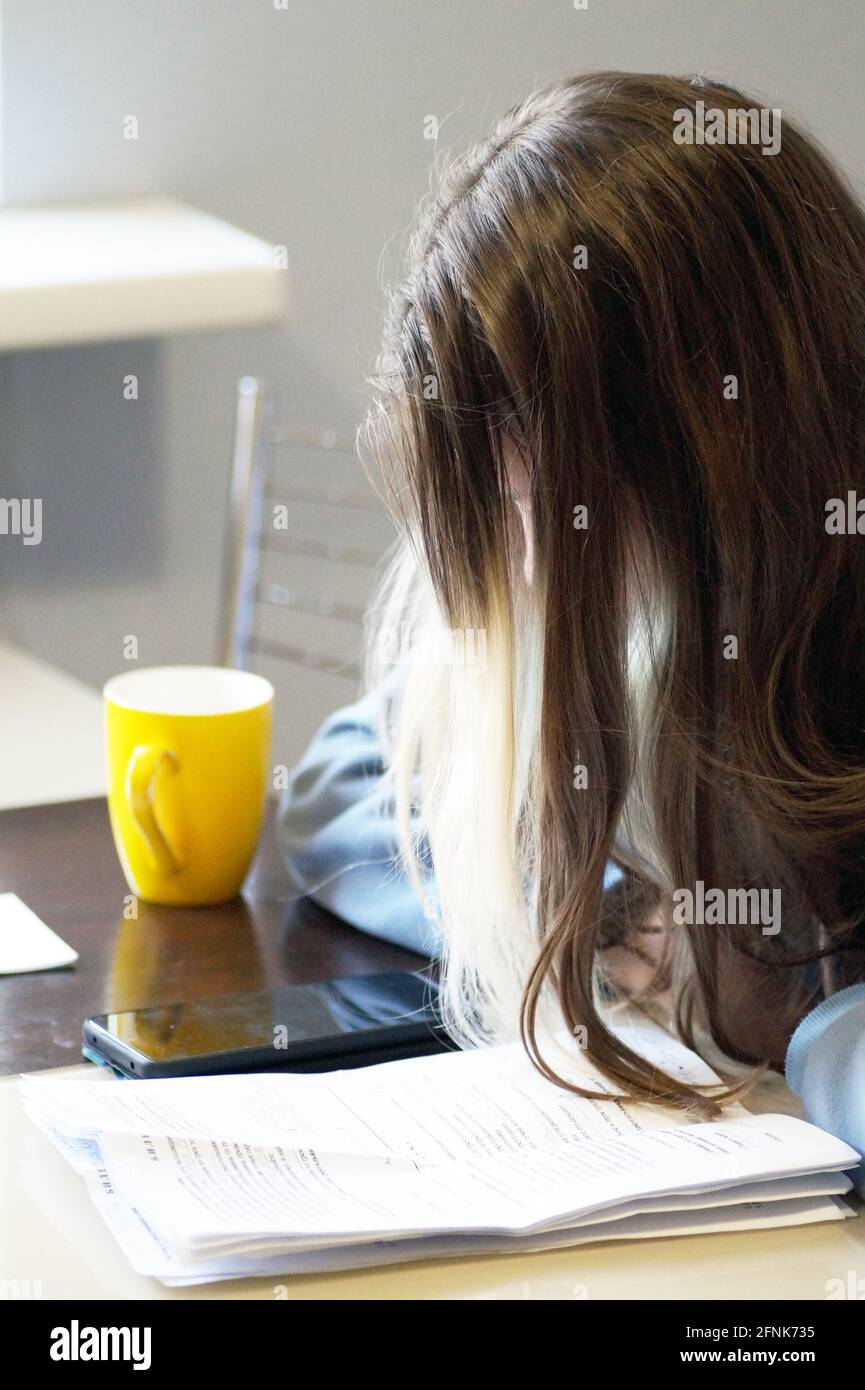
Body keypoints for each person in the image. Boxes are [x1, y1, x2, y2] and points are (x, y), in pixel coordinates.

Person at [280, 71, 865, 1186]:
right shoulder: (618, 608)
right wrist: (589, 905)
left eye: (522, 491)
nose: (521, 545)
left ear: (693, 443)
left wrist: (813, 1028)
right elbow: (340, 783)